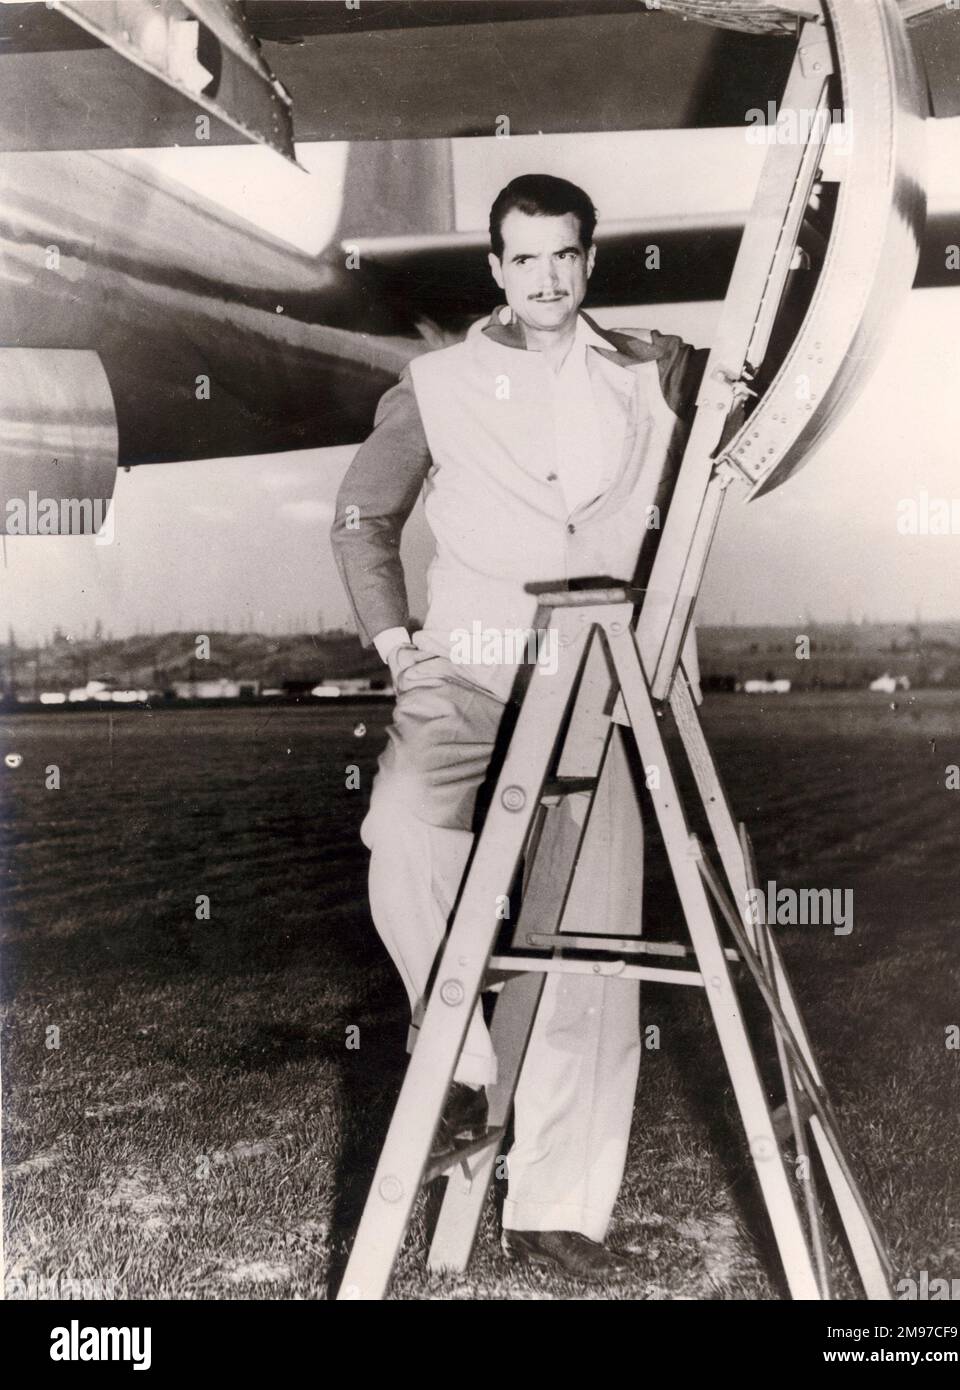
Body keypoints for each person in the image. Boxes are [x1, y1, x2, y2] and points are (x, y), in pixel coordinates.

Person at [332, 173, 704, 1282]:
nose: (545, 277)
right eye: (523, 258)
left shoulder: (655, 370)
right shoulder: (437, 381)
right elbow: (362, 519)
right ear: (495, 268)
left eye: (564, 255)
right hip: (471, 668)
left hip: (595, 679)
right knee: (400, 830)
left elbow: (758, 420)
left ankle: (554, 1210)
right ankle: (465, 1060)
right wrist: (399, 644)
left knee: (591, 948)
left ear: (590, 258)